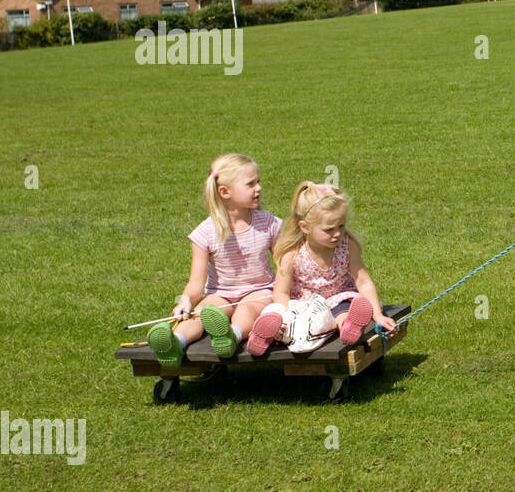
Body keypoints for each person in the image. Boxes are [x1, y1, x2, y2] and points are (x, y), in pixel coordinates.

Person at [148, 153, 281, 371]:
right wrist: (186, 300)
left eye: (258, 182)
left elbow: (283, 266)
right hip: (220, 293)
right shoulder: (206, 232)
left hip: (260, 290)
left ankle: (232, 337)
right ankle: (175, 344)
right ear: (224, 192)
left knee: (246, 311)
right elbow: (196, 282)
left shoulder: (268, 223)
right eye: (251, 184)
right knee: (200, 315)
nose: (259, 188)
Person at [247, 181, 394, 355]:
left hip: (337, 299)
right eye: (329, 230)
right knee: (280, 316)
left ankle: (350, 327)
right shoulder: (292, 253)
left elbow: (363, 281)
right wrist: (285, 312)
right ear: (305, 227)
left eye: (341, 226)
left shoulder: (346, 245)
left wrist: (377, 314)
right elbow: (281, 292)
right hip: (303, 305)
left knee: (344, 310)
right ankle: (263, 335)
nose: (337, 234)